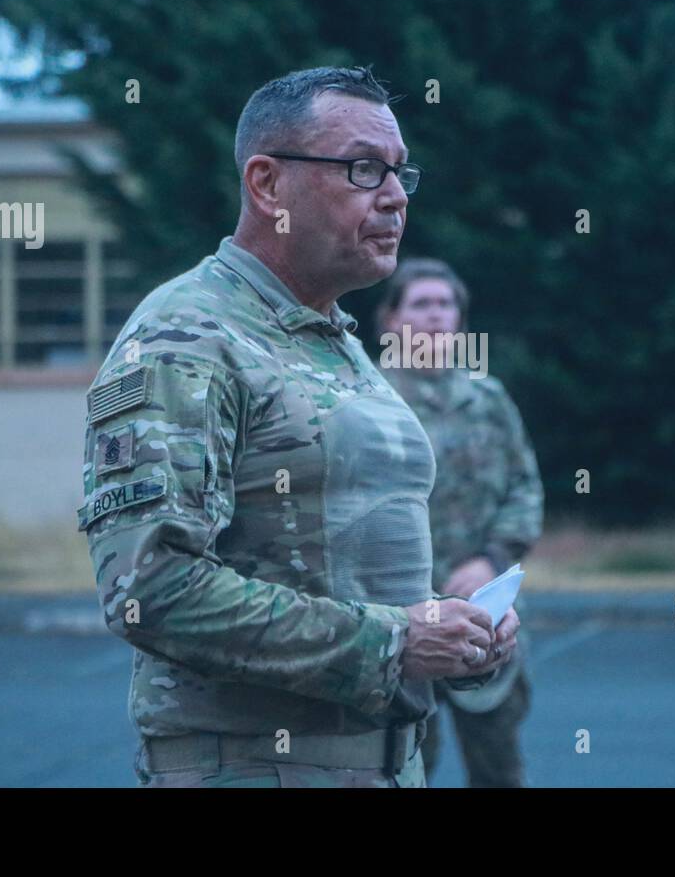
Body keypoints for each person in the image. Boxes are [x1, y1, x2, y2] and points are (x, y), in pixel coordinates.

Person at [77, 66, 518, 788]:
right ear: (267, 185)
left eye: (402, 172)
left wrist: (456, 633)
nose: (397, 196)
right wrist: (396, 642)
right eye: (365, 168)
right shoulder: (186, 336)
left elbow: (348, 567)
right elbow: (148, 589)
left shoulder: (334, 339)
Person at [377, 258, 543, 786]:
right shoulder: (367, 401)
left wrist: (489, 559)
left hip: (483, 614)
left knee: (499, 768)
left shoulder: (488, 400)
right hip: (399, 616)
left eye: (446, 305)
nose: (435, 316)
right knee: (401, 768)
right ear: (390, 319)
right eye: (421, 304)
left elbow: (525, 488)